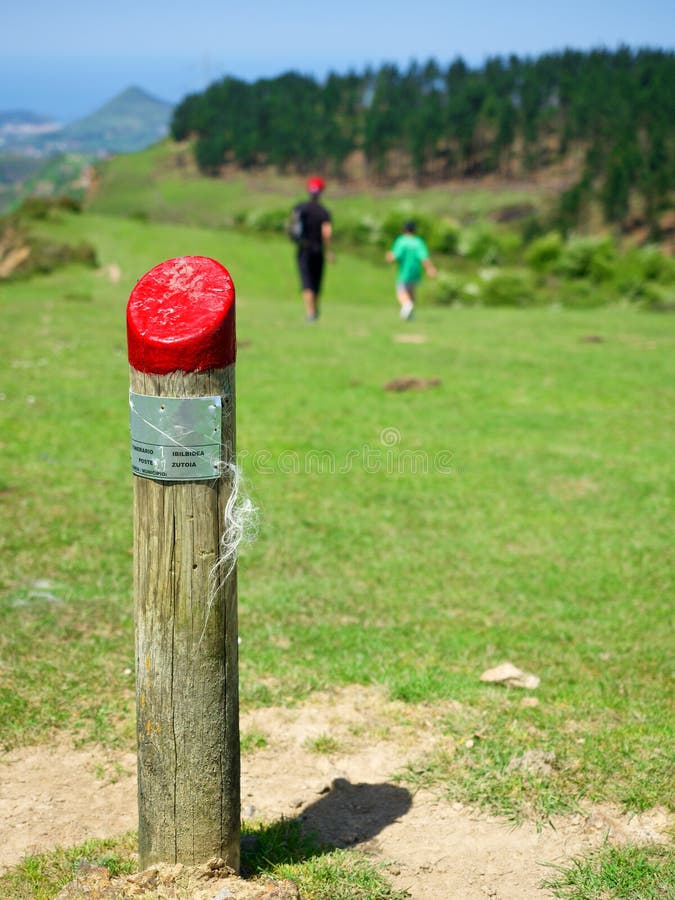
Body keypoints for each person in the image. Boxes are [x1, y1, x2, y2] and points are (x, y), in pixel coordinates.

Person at [291, 176, 332, 321]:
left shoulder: (300, 208)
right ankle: (314, 309)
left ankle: (310, 312)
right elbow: (326, 233)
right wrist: (329, 252)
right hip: (318, 250)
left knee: (306, 281)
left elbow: (293, 226)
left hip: (303, 249)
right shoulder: (323, 211)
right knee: (316, 281)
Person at [385, 220, 437, 320]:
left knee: (401, 292)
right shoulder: (418, 242)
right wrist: (430, 268)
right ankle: (411, 315)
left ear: (403, 229)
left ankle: (407, 306)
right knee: (411, 292)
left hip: (405, 271)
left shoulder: (401, 241)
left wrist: (388, 257)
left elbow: (394, 256)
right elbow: (424, 258)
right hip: (416, 272)